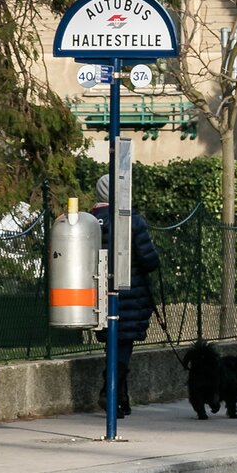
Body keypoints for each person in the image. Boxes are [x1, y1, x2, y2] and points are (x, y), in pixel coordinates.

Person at [92, 172, 162, 419]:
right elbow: (149, 259)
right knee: (123, 347)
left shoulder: (90, 220)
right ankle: (110, 392)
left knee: (112, 344)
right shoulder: (131, 220)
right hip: (130, 293)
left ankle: (121, 398)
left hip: (98, 292)